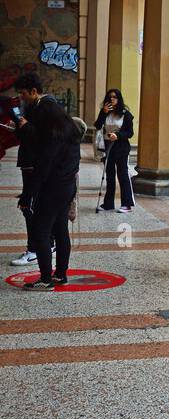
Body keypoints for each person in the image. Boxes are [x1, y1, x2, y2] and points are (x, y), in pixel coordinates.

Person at [21, 97, 81, 290]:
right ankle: (61, 275)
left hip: (53, 189)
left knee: (41, 231)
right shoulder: (70, 130)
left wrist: (27, 195)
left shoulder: (53, 136)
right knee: (61, 229)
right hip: (67, 186)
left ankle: (46, 279)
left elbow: (42, 168)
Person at [10, 73, 52, 267]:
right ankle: (43, 244)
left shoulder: (45, 107)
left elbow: (44, 138)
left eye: (23, 93)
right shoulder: (32, 106)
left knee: (30, 205)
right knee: (33, 206)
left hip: (36, 165)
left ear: (34, 91)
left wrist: (25, 126)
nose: (21, 97)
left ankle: (34, 249)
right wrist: (18, 126)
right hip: (29, 163)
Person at [95, 89, 135, 212]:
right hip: (108, 147)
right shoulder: (105, 112)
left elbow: (130, 133)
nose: (112, 99)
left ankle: (127, 204)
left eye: (115, 97)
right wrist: (103, 112)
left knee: (122, 174)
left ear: (119, 99)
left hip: (121, 147)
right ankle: (108, 204)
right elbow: (97, 125)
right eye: (110, 97)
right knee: (109, 176)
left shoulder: (125, 114)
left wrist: (118, 135)